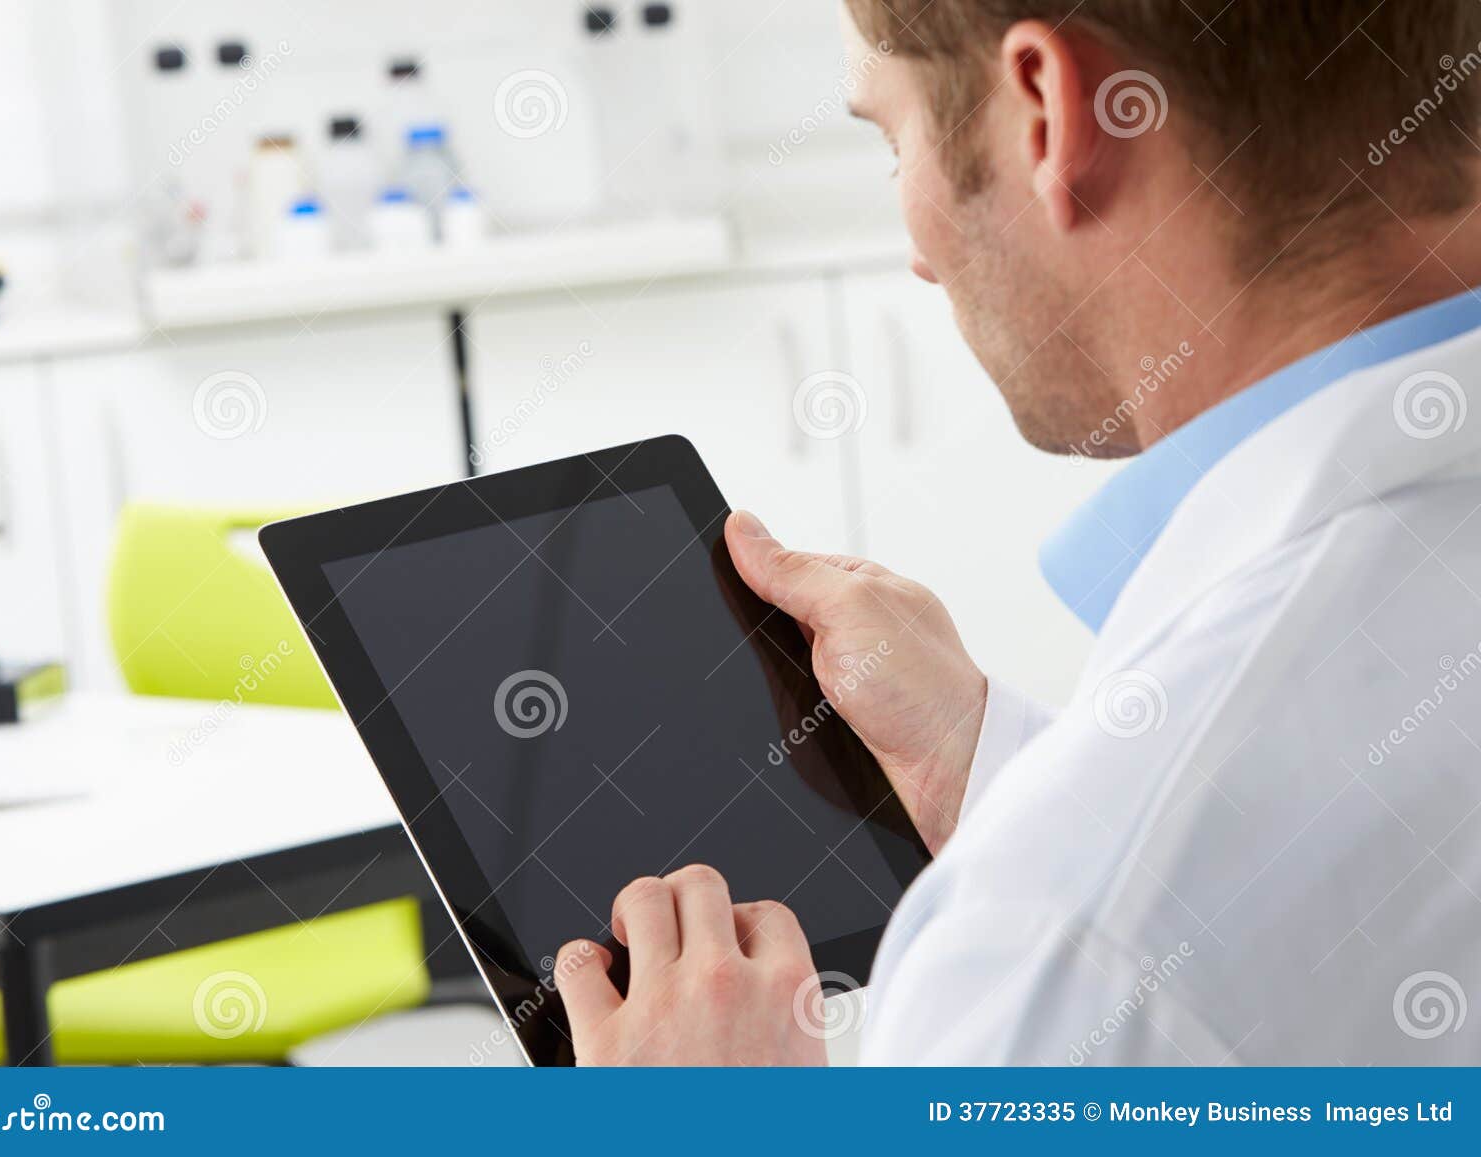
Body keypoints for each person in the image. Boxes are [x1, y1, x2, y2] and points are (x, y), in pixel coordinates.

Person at [553, 0, 1481, 1065]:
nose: (917, 254)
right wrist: (980, 761)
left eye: (892, 139)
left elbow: (1146, 912)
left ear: (1051, 112)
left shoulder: (1058, 962)